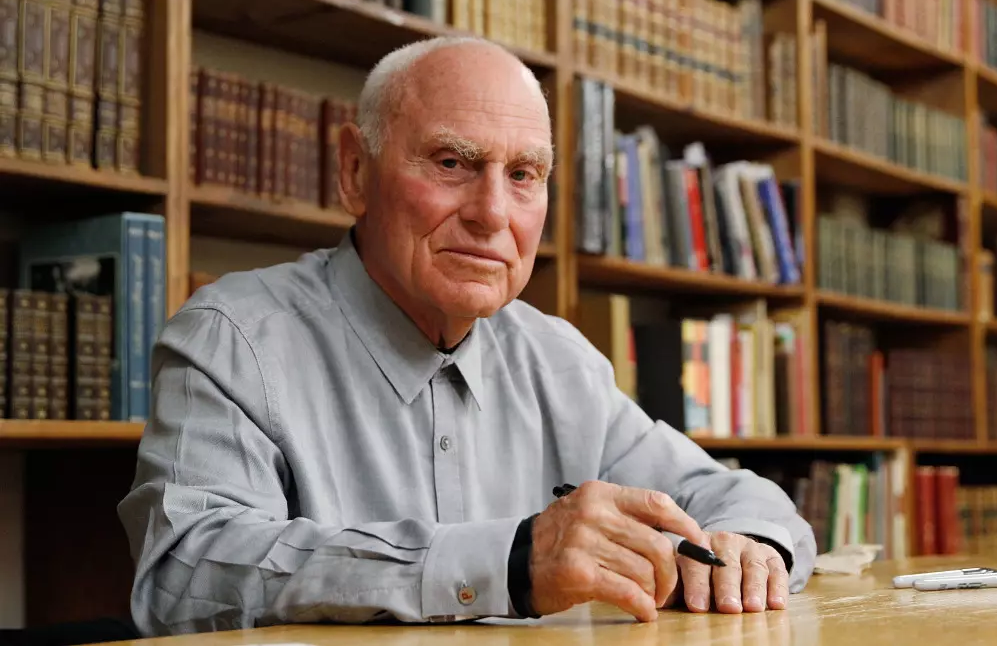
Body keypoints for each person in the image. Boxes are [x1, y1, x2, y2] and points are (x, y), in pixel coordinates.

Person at [117, 35, 816, 637]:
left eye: (523, 175)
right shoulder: (232, 338)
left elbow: (733, 496)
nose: (492, 213)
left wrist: (750, 547)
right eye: (452, 163)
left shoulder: (558, 359)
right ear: (356, 170)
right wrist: (509, 561)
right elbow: (184, 572)